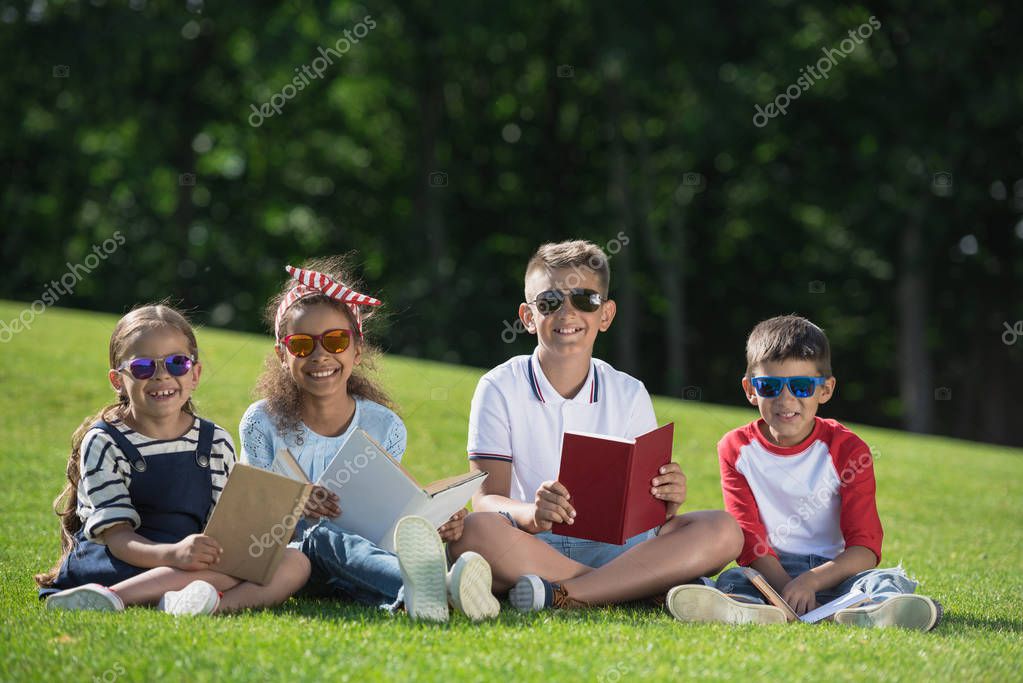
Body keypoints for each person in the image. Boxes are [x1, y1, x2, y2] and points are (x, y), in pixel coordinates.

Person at [449, 239, 743, 610]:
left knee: (723, 529)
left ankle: (569, 594)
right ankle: (634, 588)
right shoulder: (498, 386)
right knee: (473, 533)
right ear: (527, 316)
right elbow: (485, 499)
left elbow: (649, 516)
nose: (567, 313)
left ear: (605, 315)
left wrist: (669, 499)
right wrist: (532, 514)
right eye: (550, 302)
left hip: (621, 547)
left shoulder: (629, 391)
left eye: (585, 300)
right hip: (538, 543)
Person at [240, 257, 499, 621]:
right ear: (282, 355)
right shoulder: (261, 421)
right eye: (301, 345)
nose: (320, 355)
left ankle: (415, 598)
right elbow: (249, 517)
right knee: (320, 538)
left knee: (355, 549)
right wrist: (294, 502)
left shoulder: (383, 425)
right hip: (290, 562)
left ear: (357, 349)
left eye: (335, 340)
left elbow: (389, 517)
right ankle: (440, 585)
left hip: (362, 561)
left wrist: (435, 520)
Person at [666, 315, 942, 630]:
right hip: (769, 572)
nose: (786, 399)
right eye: (770, 386)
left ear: (825, 389)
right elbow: (749, 538)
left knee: (885, 581)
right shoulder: (735, 448)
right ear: (750, 390)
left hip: (837, 573)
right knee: (734, 579)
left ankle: (872, 611)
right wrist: (785, 586)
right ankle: (749, 607)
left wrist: (810, 581)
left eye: (801, 386)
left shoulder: (849, 450)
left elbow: (865, 547)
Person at [37, 304, 310, 615]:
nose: (162, 376)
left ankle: (199, 607)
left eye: (176, 363)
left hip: (193, 564)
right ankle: (110, 596)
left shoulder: (215, 441)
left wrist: (273, 527)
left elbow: (221, 530)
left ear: (195, 374)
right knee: (227, 572)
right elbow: (117, 538)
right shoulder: (105, 441)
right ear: (117, 380)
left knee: (295, 562)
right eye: (143, 367)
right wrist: (174, 554)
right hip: (123, 561)